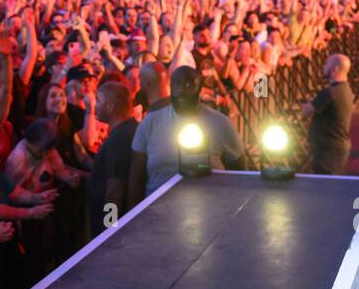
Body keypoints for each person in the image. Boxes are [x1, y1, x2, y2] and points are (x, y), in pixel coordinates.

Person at [128, 66, 245, 204]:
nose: (180, 90)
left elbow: (239, 172)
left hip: (209, 206)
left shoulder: (220, 122)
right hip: (158, 211)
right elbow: (135, 178)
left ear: (200, 88)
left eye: (189, 84)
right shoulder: (150, 122)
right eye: (176, 84)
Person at [85, 80, 138, 236]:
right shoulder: (129, 129)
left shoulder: (119, 138)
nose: (96, 107)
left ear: (110, 106)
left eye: (99, 101)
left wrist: (110, 227)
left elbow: (115, 188)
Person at [301, 54, 354, 175]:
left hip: (329, 150)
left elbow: (305, 111)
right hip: (336, 148)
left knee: (325, 186)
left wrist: (304, 105)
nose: (323, 66)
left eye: (326, 64)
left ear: (334, 69)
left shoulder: (330, 93)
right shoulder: (345, 89)